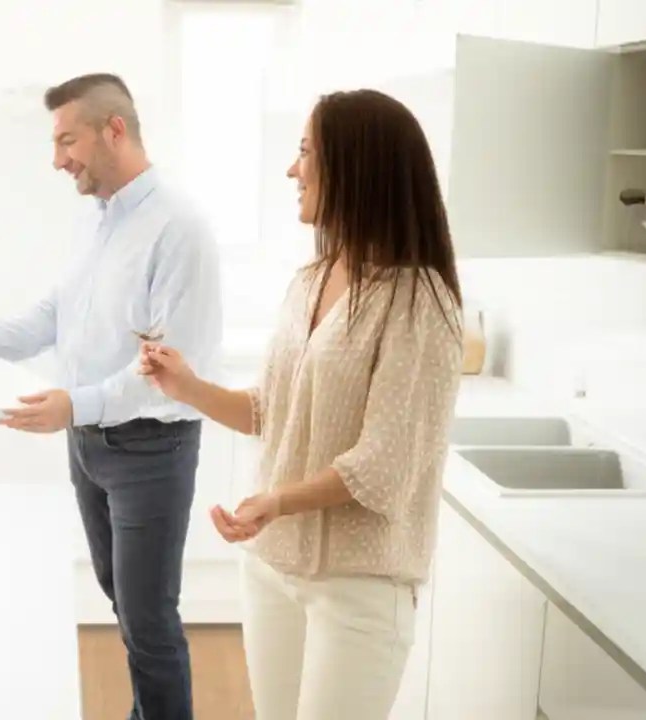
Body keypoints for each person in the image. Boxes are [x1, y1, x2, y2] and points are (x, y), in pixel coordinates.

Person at [139, 89, 464, 719]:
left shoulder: (418, 303)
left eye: (305, 152)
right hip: (272, 568)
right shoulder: (311, 280)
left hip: (359, 587)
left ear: (356, 166)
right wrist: (188, 386)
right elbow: (273, 411)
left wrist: (278, 500)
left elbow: (383, 465)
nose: (293, 170)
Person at [0, 73, 221, 720]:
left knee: (149, 621)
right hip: (89, 445)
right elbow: (55, 315)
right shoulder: (98, 221)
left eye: (68, 140)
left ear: (113, 129)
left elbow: (169, 369)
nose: (58, 159)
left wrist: (73, 404)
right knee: (123, 600)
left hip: (150, 446)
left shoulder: (179, 228)